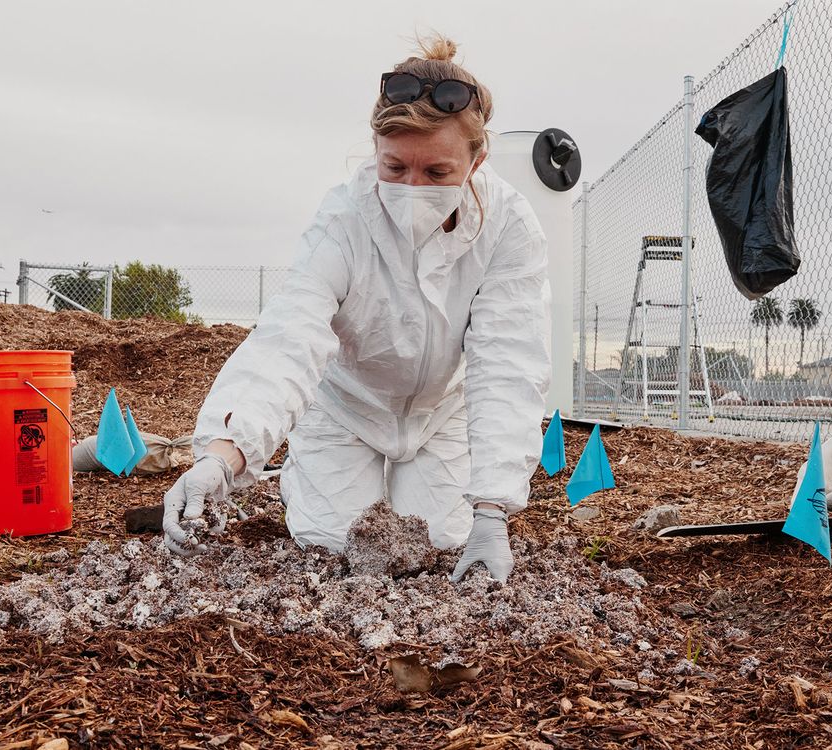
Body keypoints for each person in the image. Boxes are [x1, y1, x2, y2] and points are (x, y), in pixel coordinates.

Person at [162, 35, 551, 582]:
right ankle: (304, 476)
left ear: (477, 159)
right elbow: (290, 335)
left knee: (441, 541)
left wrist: (492, 509)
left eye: (437, 173)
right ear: (374, 151)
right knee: (332, 543)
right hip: (345, 406)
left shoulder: (508, 226)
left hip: (441, 412)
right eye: (395, 168)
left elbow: (508, 360)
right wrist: (222, 457)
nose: (413, 188)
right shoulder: (344, 220)